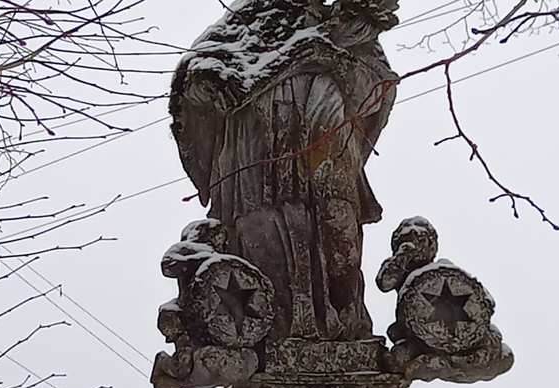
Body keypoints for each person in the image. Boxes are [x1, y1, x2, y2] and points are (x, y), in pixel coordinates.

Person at [170, 0, 400, 340]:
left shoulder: (348, 25)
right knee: (265, 235)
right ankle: (277, 325)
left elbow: (376, 91)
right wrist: (221, 82)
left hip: (327, 151)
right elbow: (198, 83)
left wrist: (333, 56)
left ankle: (345, 319)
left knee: (338, 235)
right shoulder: (247, 21)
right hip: (259, 159)